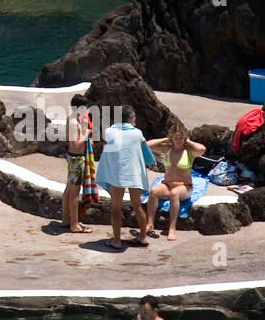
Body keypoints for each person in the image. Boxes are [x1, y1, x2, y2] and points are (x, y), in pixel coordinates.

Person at [94, 107, 150, 250]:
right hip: (134, 174)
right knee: (137, 205)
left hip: (118, 175)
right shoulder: (138, 133)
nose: (135, 119)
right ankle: (143, 237)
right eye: (134, 117)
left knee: (116, 208)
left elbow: (109, 150)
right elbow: (142, 149)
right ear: (130, 118)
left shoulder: (109, 132)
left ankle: (117, 241)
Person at [144, 125, 206, 243]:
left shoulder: (189, 152)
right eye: (175, 138)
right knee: (153, 191)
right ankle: (150, 223)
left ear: (184, 138)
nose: (178, 141)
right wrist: (166, 140)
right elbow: (148, 145)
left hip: (184, 186)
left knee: (174, 194)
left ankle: (172, 228)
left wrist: (188, 141)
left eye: (180, 138)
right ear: (172, 138)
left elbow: (202, 149)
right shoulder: (167, 149)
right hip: (167, 184)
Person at [61, 104, 95, 235]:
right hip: (76, 158)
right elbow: (76, 144)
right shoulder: (74, 122)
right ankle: (74, 224)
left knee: (69, 188)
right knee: (75, 192)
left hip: (72, 157)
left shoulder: (71, 118)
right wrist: (86, 134)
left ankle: (66, 219)